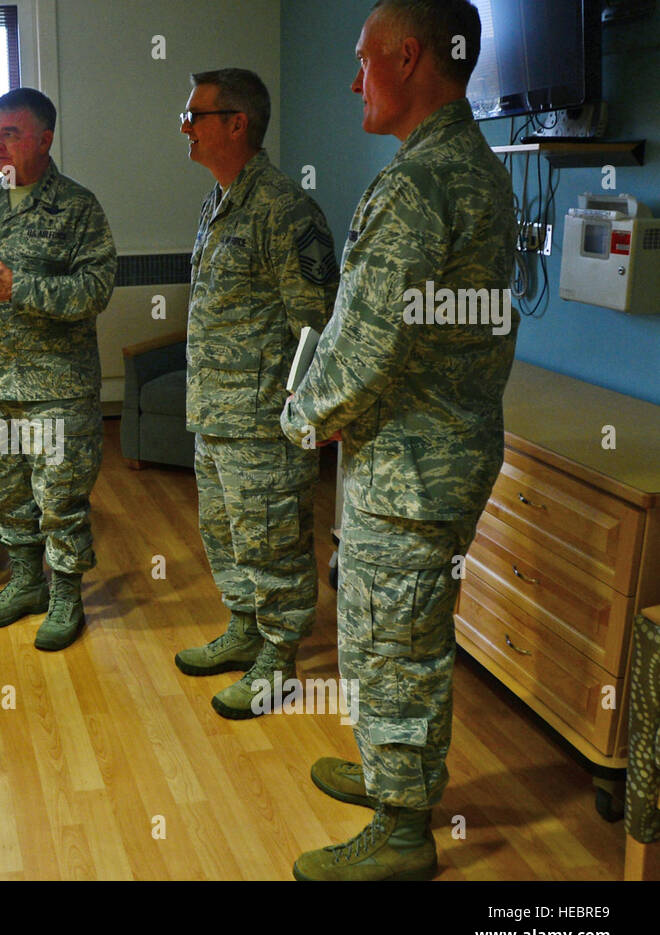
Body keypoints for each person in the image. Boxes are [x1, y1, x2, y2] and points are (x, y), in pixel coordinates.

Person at [281, 0, 517, 879]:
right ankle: (393, 772)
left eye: (362, 61)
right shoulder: (474, 166)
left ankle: (405, 828)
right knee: (399, 631)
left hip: (412, 464)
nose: (351, 81)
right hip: (442, 448)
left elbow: (371, 341)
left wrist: (303, 417)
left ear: (409, 58)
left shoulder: (416, 183)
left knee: (395, 640)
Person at [171, 68, 338, 720]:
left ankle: (279, 659)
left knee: (272, 543)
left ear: (235, 123)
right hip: (216, 413)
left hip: (264, 422)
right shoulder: (221, 200)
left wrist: (295, 411)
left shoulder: (285, 211)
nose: (184, 127)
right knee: (227, 534)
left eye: (194, 116)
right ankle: (245, 629)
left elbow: (315, 324)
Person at [0, 87, 116, 651]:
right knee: (7, 495)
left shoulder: (78, 207)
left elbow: (96, 289)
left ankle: (65, 598)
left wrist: (19, 288)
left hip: (58, 388)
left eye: (9, 133)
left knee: (60, 501)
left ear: (44, 139)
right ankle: (26, 583)